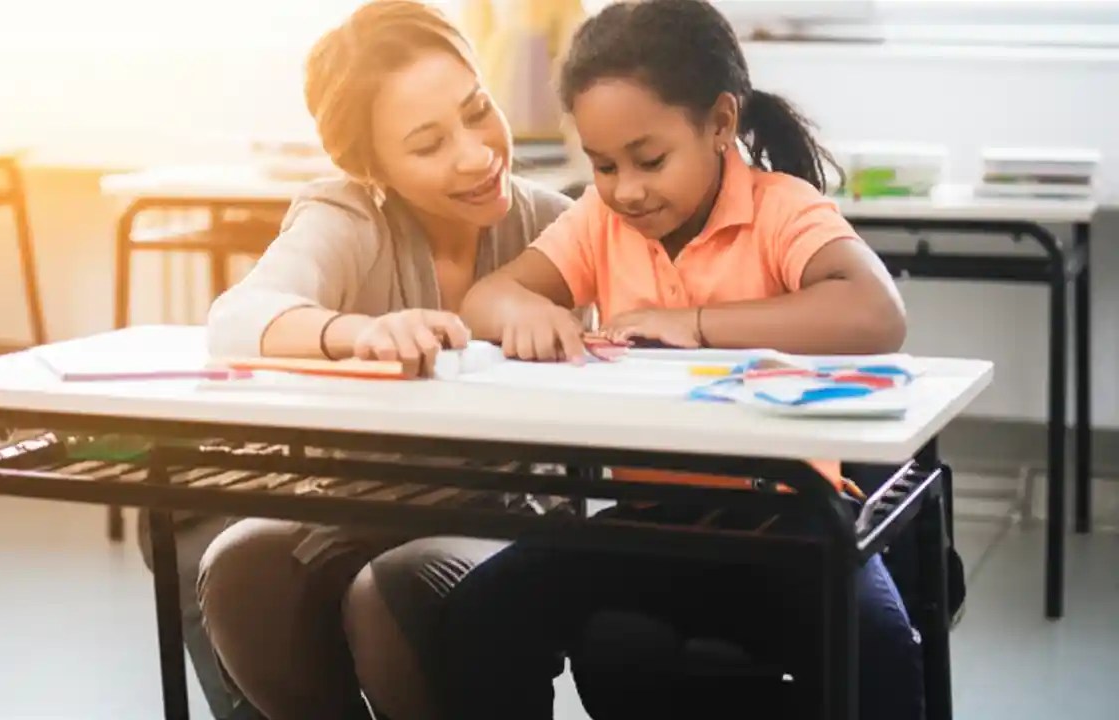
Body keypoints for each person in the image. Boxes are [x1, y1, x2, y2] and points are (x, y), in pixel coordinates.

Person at [442, 1, 919, 718]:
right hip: (654, 521)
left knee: (877, 647)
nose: (626, 188)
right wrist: (531, 312)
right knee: (478, 617)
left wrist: (694, 323)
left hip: (789, 519)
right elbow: (489, 296)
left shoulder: (779, 209)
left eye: (649, 159)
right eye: (603, 165)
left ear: (720, 123)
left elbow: (875, 312)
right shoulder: (599, 222)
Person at [170, 2, 575, 719]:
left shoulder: (552, 222)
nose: (476, 154)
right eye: (428, 145)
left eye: (478, 111)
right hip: (356, 504)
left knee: (391, 588)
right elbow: (237, 318)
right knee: (240, 567)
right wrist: (358, 332)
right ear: (372, 168)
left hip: (508, 511)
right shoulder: (350, 215)